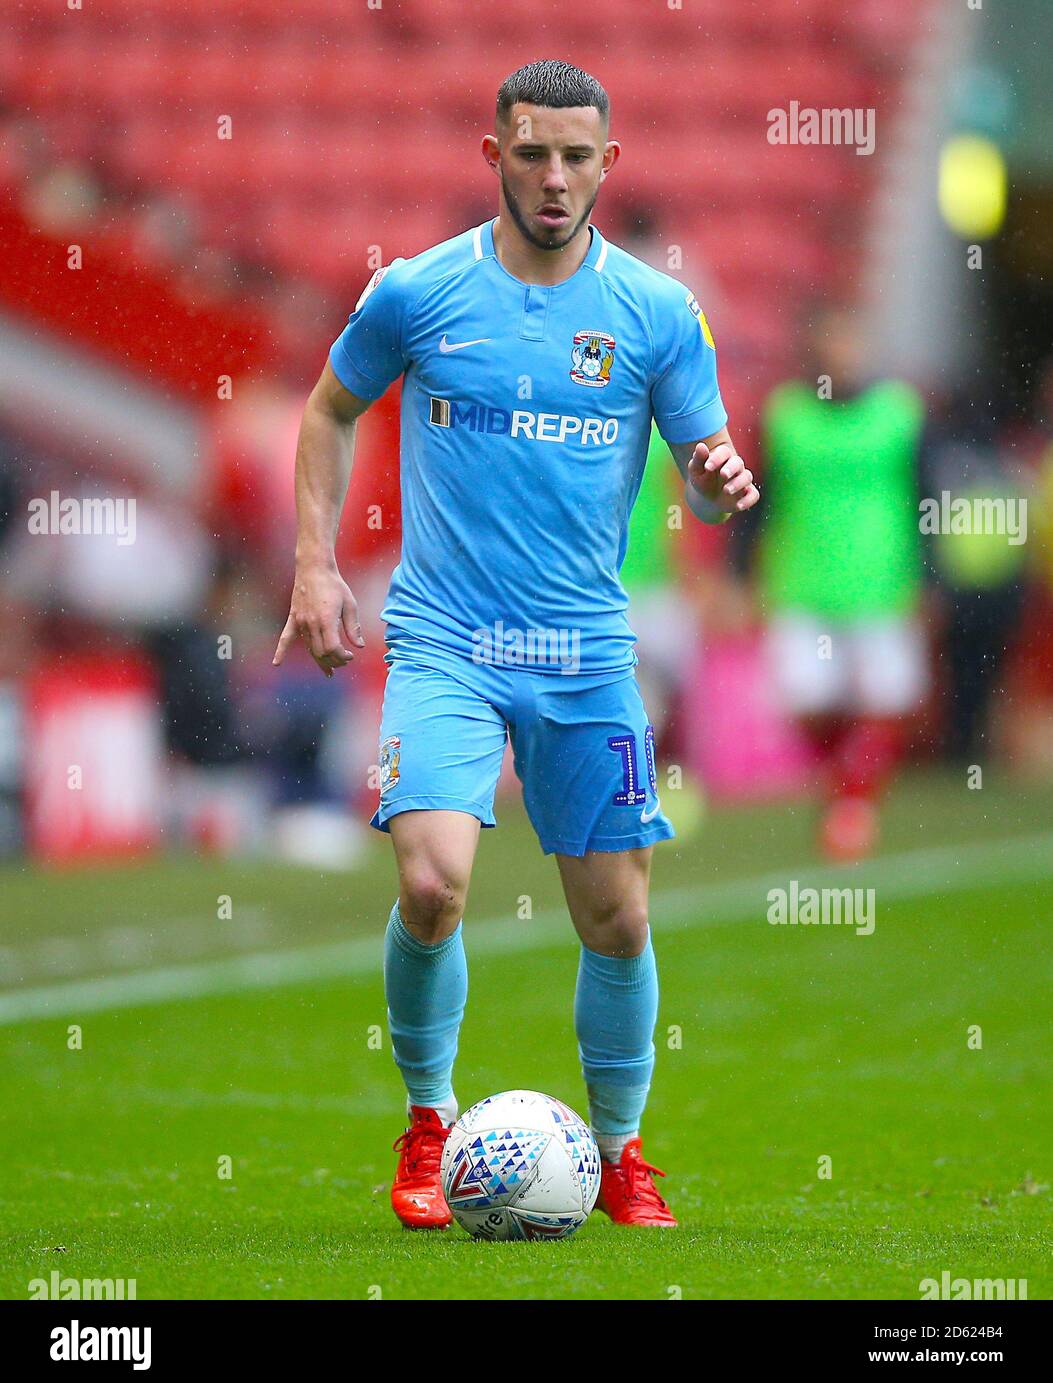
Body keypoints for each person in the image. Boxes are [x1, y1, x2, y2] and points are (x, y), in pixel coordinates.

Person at [273, 60, 758, 1230]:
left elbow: (704, 483)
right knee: (433, 884)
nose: (553, 177)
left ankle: (622, 1147)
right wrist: (315, 563)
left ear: (609, 165)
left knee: (618, 918)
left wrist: (716, 484)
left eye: (576, 156)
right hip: (445, 640)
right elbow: (330, 408)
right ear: (493, 156)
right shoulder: (420, 292)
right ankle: (430, 1122)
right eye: (531, 153)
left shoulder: (653, 311)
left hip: (587, 650)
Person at [731, 303, 926, 860]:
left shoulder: (899, 413)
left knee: (888, 702)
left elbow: (927, 495)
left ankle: (852, 803)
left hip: (882, 583)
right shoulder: (786, 415)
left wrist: (932, 576)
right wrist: (739, 573)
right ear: (814, 350)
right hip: (801, 581)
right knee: (807, 701)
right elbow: (757, 499)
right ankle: (846, 784)